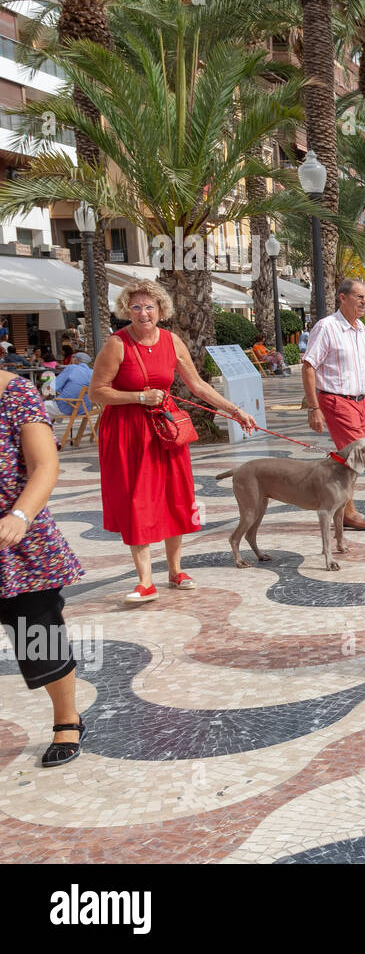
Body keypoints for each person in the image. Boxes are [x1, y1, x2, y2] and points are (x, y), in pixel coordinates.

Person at [91, 278, 256, 603]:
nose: (142, 313)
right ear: (127, 310)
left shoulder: (172, 341)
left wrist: (233, 410)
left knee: (173, 496)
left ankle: (176, 570)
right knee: (137, 500)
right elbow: (98, 392)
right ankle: (144, 580)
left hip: (166, 431)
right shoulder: (117, 344)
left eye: (149, 306)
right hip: (128, 433)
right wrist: (139, 396)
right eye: (136, 307)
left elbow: (197, 385)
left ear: (161, 309)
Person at [0, 368, 87, 766]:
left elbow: (44, 466)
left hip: (18, 542)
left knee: (39, 635)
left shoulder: (15, 393)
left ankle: (67, 718)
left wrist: (20, 515)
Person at [301, 278, 365, 525]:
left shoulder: (361, 329)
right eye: (358, 297)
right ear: (342, 298)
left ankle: (340, 505)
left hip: (359, 401)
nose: (364, 301)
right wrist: (314, 407)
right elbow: (309, 366)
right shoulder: (327, 327)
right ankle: (347, 512)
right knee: (354, 457)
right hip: (336, 400)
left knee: (353, 457)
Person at [44, 354, 93, 420]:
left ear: (76, 361)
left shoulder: (72, 368)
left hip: (67, 408)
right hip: (84, 409)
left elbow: (53, 386)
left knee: (40, 406)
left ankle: (45, 429)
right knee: (53, 405)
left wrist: (41, 397)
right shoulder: (92, 372)